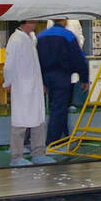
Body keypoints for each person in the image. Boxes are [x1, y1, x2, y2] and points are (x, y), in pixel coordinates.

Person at [3, 21, 55, 167]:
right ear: (26, 22)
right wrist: (8, 82)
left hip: (34, 87)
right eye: (34, 21)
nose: (36, 24)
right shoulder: (15, 40)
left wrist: (41, 84)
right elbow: (9, 65)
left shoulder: (31, 37)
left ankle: (38, 153)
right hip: (22, 86)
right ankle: (16, 156)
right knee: (20, 122)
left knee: (38, 120)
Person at [37, 18, 89, 147]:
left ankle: (65, 137)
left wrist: (41, 80)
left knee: (60, 106)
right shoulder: (67, 35)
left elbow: (36, 58)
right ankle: (52, 142)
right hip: (62, 76)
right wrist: (84, 77)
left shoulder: (42, 35)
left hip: (46, 76)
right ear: (65, 22)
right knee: (59, 108)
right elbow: (78, 57)